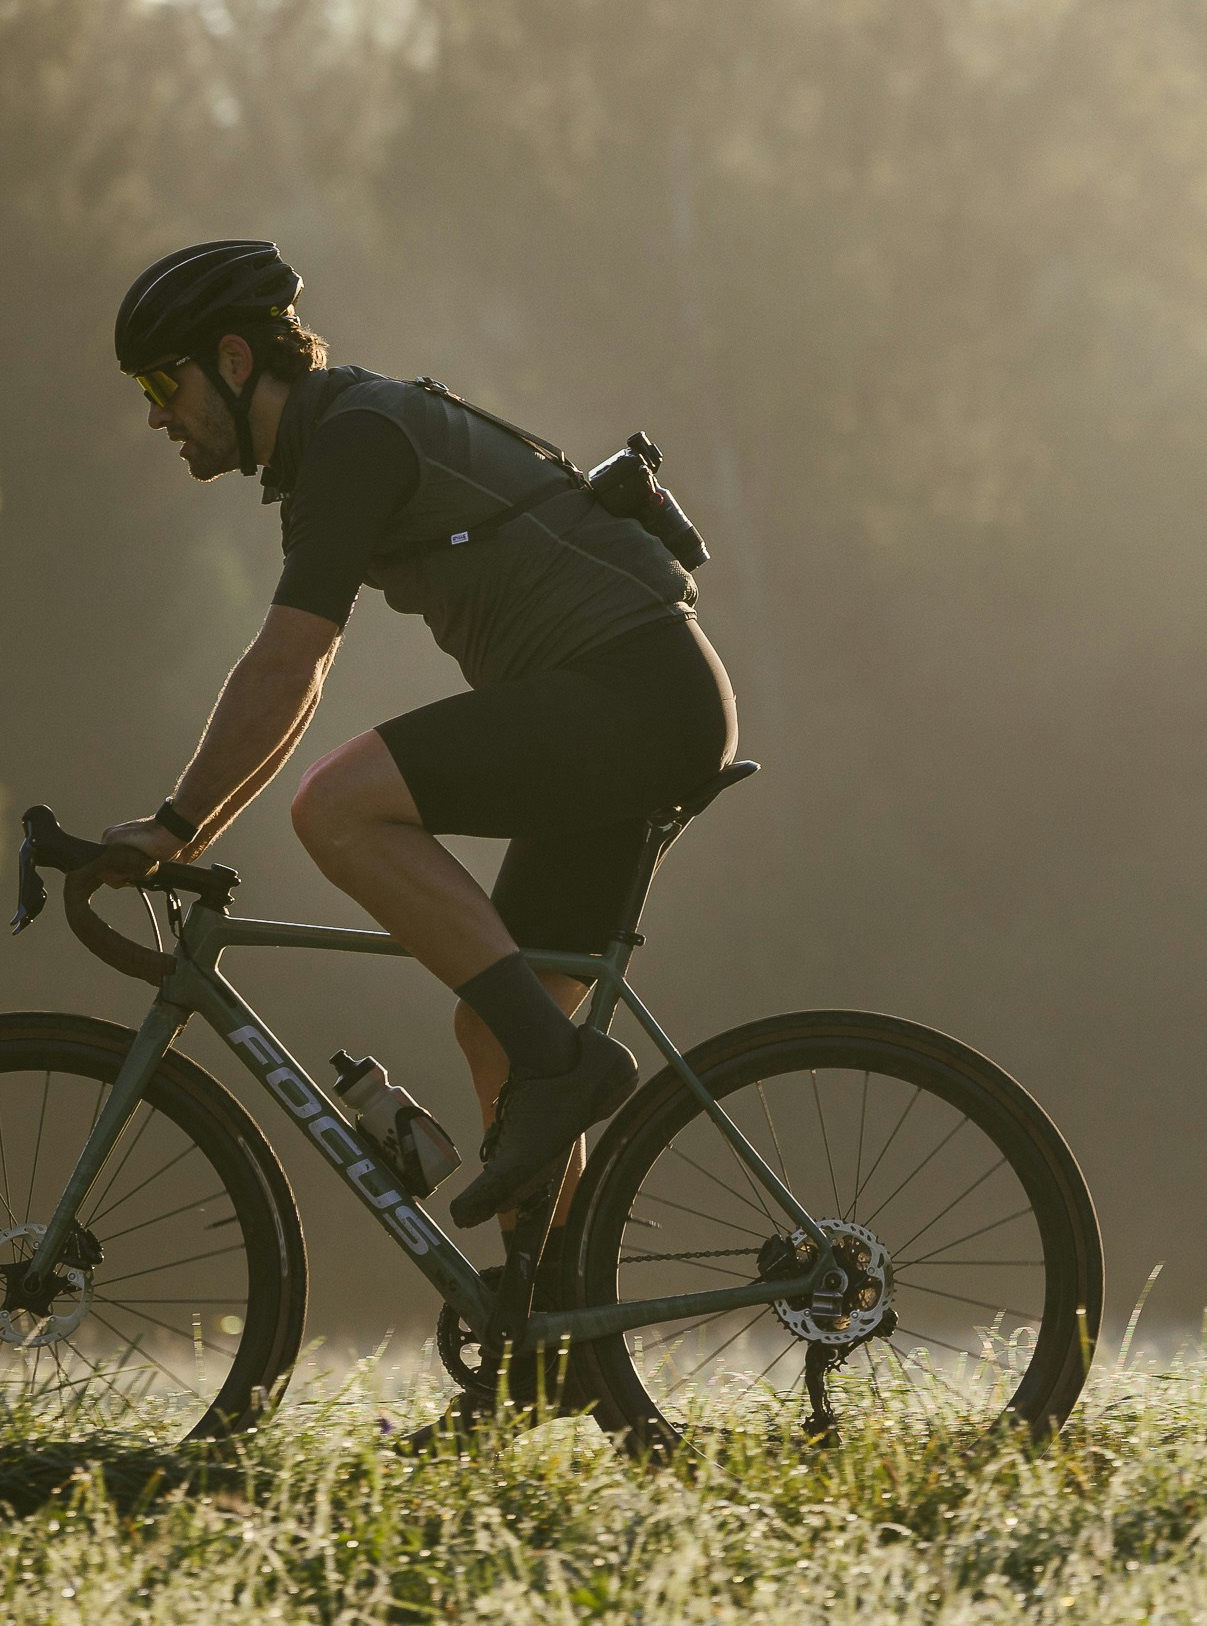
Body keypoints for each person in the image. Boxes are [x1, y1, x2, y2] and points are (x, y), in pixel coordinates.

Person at [95, 240, 736, 1232]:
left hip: (633, 689)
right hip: (641, 695)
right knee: (491, 1024)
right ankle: (548, 1331)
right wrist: (189, 832)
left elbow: (288, 662)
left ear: (231, 360)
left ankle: (564, 1066)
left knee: (339, 806)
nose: (154, 413)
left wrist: (177, 822)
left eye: (159, 380)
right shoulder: (333, 443)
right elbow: (300, 684)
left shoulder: (352, 437)